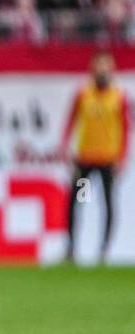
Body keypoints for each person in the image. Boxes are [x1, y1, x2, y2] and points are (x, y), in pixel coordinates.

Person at [61, 50, 129, 264]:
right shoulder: (83, 94)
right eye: (99, 66)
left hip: (108, 161)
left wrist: (123, 158)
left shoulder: (119, 97)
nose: (102, 70)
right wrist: (65, 149)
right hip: (85, 160)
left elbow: (126, 129)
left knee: (107, 204)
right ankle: (71, 250)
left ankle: (103, 251)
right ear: (92, 68)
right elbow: (71, 122)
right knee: (78, 202)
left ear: (112, 69)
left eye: (106, 66)